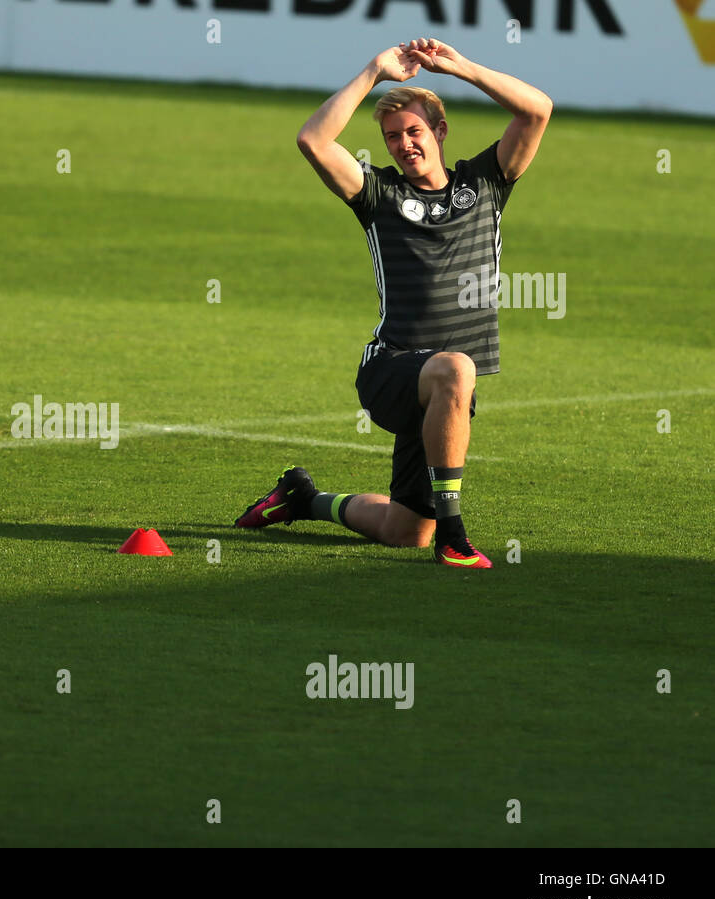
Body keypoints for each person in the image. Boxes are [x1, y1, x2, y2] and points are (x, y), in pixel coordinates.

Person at [235, 39, 552, 569]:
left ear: (439, 132)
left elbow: (537, 109)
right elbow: (312, 138)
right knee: (455, 367)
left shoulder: (486, 183)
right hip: (392, 367)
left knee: (405, 531)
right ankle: (456, 534)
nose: (404, 144)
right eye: (391, 137)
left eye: (414, 131)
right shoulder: (378, 195)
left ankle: (302, 499)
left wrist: (465, 69)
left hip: (443, 395)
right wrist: (373, 73)